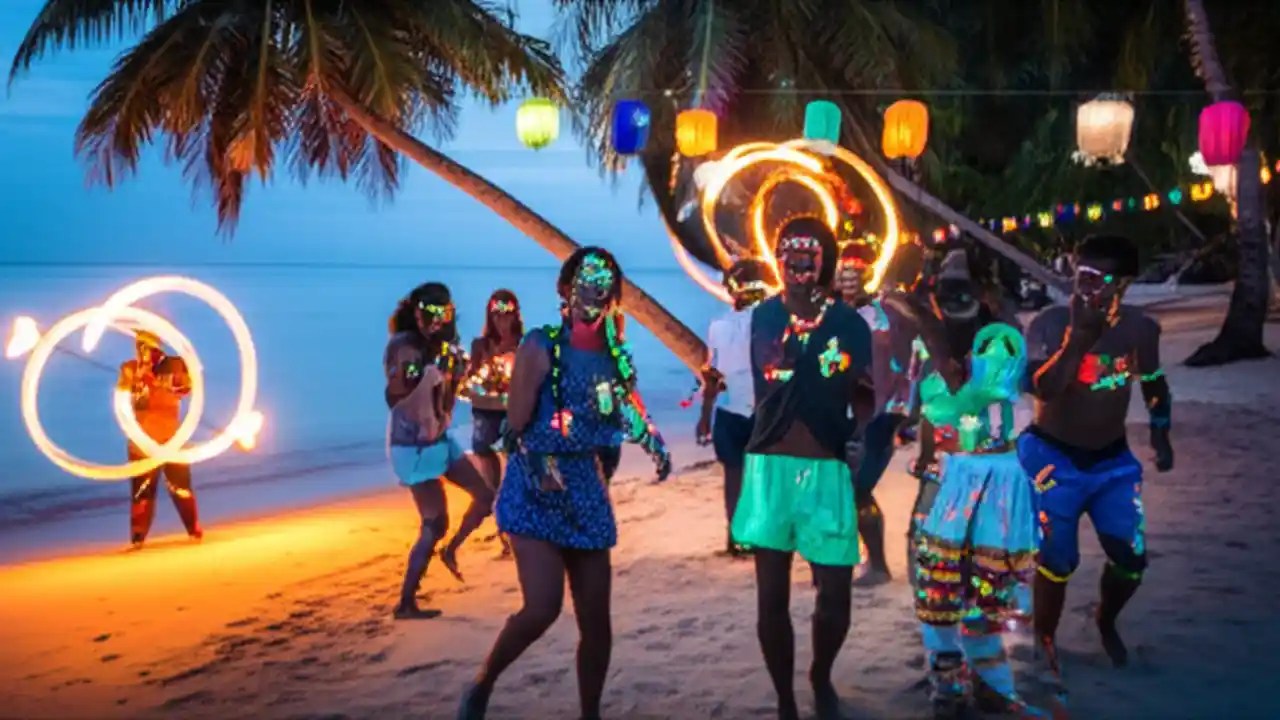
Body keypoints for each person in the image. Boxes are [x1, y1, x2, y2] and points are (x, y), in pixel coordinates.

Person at [458, 248, 671, 720]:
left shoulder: (616, 355)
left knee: (597, 623)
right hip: (536, 483)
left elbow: (627, 408)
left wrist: (654, 443)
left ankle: (589, 713)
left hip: (587, 489)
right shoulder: (540, 345)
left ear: (613, 297)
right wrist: (553, 429)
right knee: (542, 607)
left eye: (603, 285)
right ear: (564, 289)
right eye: (584, 281)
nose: (593, 291)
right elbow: (516, 420)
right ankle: (482, 683)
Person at [1018, 234, 1173, 705]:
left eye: (1094, 280)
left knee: (1131, 556)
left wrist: (1161, 432)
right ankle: (1045, 638)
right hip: (1050, 457)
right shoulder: (1048, 323)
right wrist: (1077, 339)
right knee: (1057, 560)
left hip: (1111, 459)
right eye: (1077, 275)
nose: (1081, 289)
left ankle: (1105, 619)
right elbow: (1044, 389)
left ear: (1122, 285)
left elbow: (1153, 382)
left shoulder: (1141, 330)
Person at [732, 216, 875, 720]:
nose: (795, 260)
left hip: (827, 474)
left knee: (835, 596)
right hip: (769, 472)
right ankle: (786, 699)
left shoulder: (851, 324)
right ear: (775, 256)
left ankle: (819, 674)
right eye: (786, 250)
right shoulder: (756, 319)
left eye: (807, 252)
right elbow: (734, 386)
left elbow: (867, 395)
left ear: (824, 261)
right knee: (770, 597)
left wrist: (860, 433)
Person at [883, 273, 1043, 718]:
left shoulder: (998, 345)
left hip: (987, 487)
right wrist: (918, 440)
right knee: (939, 586)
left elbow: (960, 397)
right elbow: (926, 408)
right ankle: (952, 678)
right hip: (949, 482)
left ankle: (982, 679)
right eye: (946, 295)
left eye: (963, 293)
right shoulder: (933, 355)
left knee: (979, 587)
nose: (955, 301)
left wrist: (921, 320)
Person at [385, 282, 495, 620]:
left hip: (439, 441)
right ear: (415, 313)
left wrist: (457, 374)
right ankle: (406, 602)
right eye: (428, 312)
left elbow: (448, 398)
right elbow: (395, 394)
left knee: (485, 496)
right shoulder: (404, 346)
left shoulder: (444, 345)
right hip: (413, 450)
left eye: (442, 312)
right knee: (434, 522)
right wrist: (426, 373)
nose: (435, 319)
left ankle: (451, 550)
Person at [833, 240, 916, 586]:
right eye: (845, 266)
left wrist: (905, 412)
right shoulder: (836, 313)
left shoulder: (885, 313)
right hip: (849, 414)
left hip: (879, 416)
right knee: (848, 489)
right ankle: (866, 558)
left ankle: (878, 564)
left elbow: (905, 362)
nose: (849, 272)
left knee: (859, 489)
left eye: (856, 266)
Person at [697, 257, 773, 556]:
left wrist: (704, 417)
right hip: (762, 410)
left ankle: (736, 536)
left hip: (729, 411)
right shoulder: (772, 322)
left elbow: (713, 376)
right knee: (761, 476)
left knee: (734, 476)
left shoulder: (719, 325)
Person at [118, 331, 201, 548]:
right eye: (139, 345)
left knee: (181, 488)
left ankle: (193, 530)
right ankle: (138, 537)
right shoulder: (129, 368)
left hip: (172, 440)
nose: (142, 350)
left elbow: (188, 389)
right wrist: (137, 380)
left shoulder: (174, 364)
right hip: (142, 443)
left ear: (157, 345)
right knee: (141, 493)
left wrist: (158, 383)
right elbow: (127, 401)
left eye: (147, 345)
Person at [464, 289, 524, 557]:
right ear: (490, 315)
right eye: (497, 314)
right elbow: (469, 381)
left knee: (515, 475)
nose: (502, 320)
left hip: (512, 414)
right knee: (491, 483)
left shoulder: (524, 344)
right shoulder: (480, 345)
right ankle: (503, 534)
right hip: (485, 413)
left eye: (507, 314)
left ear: (515, 315)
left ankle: (513, 532)